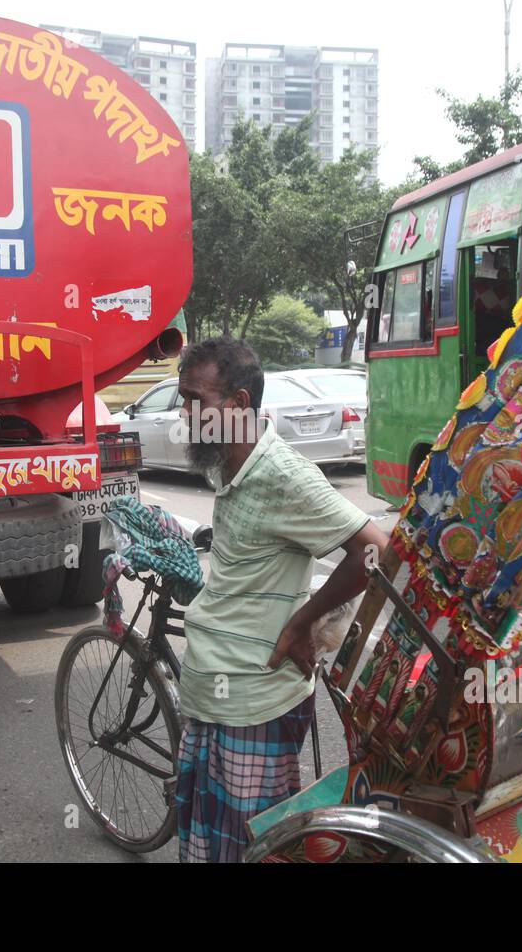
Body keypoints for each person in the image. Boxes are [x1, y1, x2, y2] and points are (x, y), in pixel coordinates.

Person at [172, 336, 387, 862]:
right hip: (212, 693)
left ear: (239, 405)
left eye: (194, 399)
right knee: (209, 839)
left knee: (256, 847)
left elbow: (375, 551)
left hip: (254, 702)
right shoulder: (226, 461)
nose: (184, 412)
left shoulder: (283, 475)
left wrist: (301, 622)